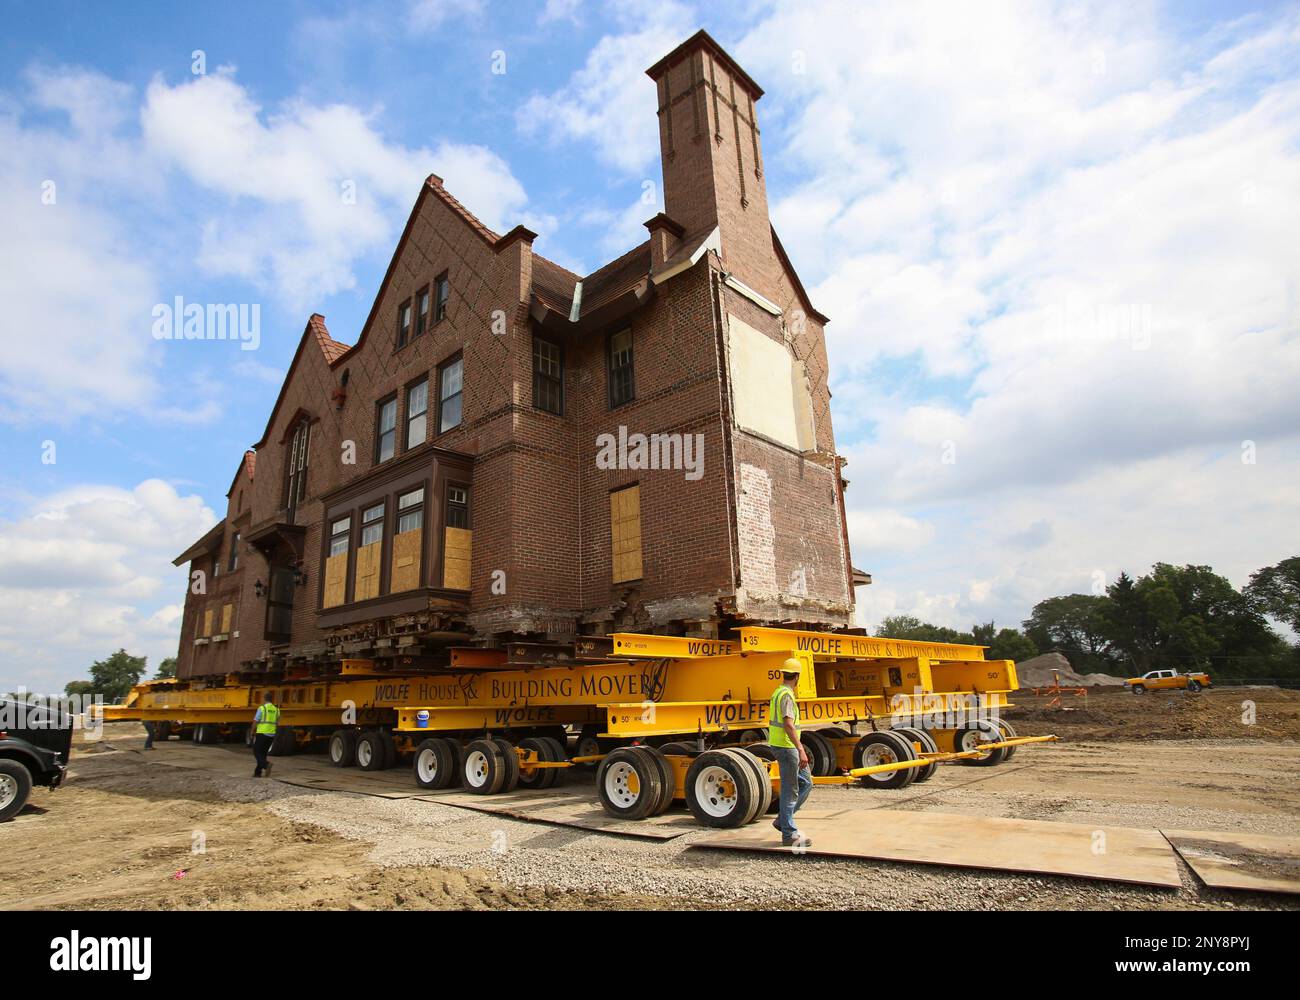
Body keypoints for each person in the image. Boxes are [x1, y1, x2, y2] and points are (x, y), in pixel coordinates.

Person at [768, 657, 813, 848]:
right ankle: (789, 833)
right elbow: (788, 724)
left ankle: (782, 820)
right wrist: (801, 749)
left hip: (785, 746)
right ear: (797, 677)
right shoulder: (785, 695)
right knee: (790, 789)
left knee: (806, 783)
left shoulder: (779, 692)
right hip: (787, 748)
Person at [251, 691, 280, 778]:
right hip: (271, 734)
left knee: (256, 752)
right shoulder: (276, 710)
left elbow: (256, 720)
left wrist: (252, 731)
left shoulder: (262, 708)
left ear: (264, 699)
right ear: (272, 699)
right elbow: (277, 722)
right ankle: (257, 773)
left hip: (262, 733)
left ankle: (266, 765)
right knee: (263, 754)